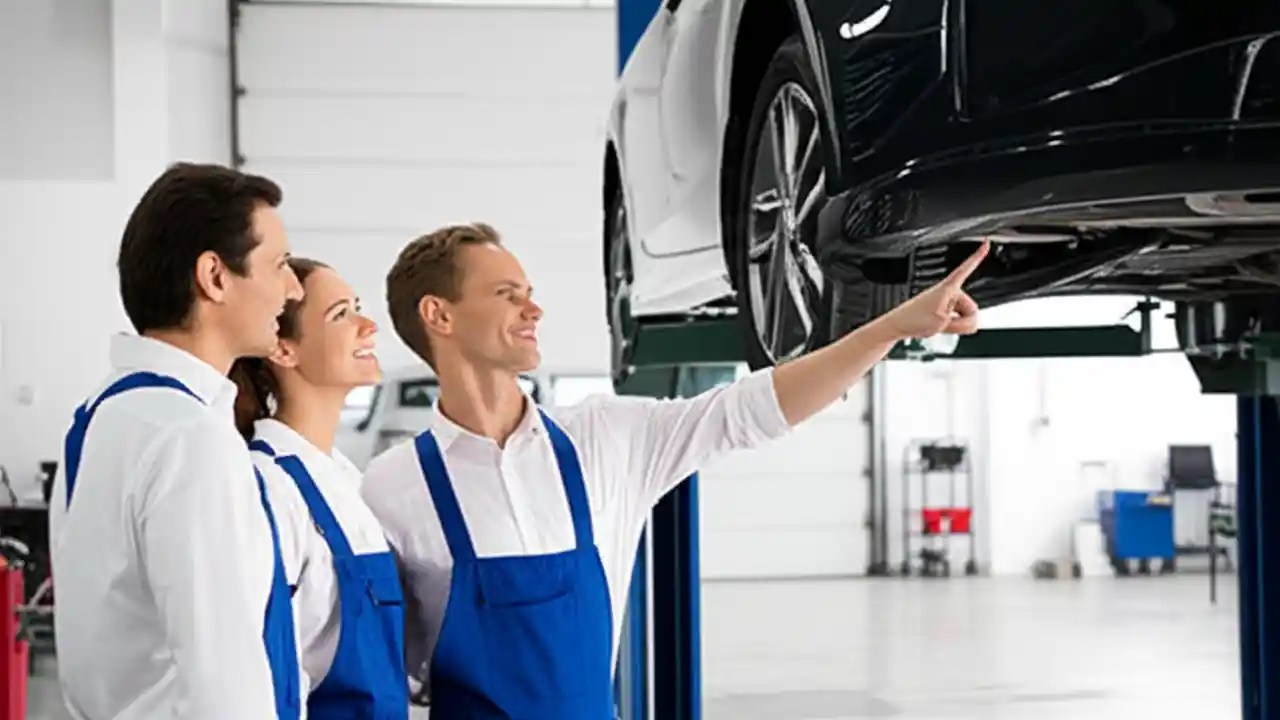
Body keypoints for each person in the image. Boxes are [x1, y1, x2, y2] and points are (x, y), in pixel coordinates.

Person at [359, 222, 989, 717]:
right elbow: (378, 670)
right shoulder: (389, 489)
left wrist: (894, 326)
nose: (534, 310)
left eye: (530, 293)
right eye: (507, 295)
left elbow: (754, 407)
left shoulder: (605, 438)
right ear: (438, 315)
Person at [49, 162, 306, 720]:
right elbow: (225, 679)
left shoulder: (102, 418)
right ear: (215, 276)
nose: (293, 289)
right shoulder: (190, 438)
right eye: (279, 264)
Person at [230, 257, 409, 719]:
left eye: (358, 307)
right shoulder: (270, 486)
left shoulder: (345, 478)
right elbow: (269, 676)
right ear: (283, 349)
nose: (368, 325)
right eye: (341, 314)